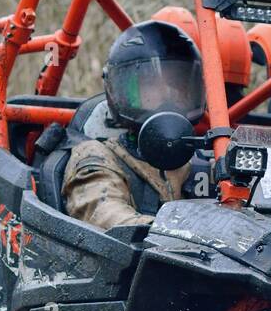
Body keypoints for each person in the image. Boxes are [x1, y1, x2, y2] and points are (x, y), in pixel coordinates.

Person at [62, 21, 205, 230]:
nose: (168, 94)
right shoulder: (96, 155)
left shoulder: (201, 155)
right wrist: (187, 235)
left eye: (177, 85)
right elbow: (106, 217)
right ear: (124, 92)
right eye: (151, 84)